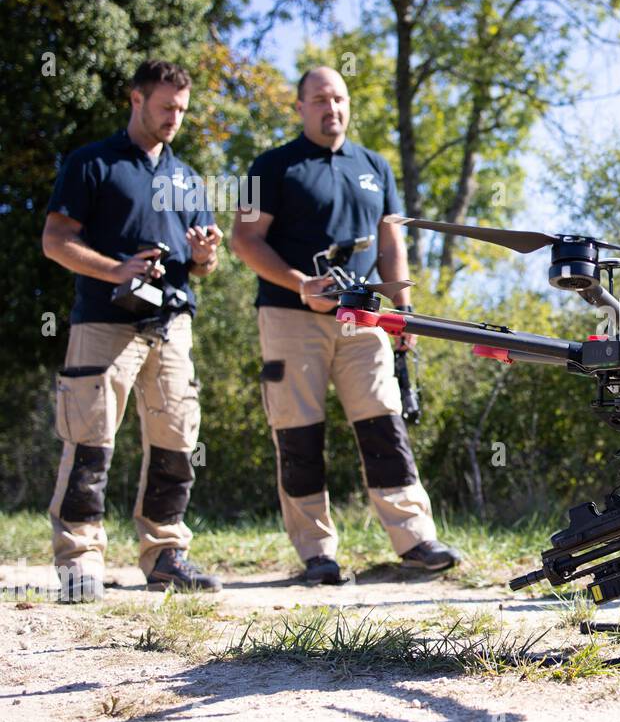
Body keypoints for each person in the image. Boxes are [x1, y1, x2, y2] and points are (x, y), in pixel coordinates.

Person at [231, 66, 460, 584]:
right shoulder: (268, 166)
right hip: (290, 315)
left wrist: (401, 309)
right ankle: (316, 553)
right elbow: (243, 240)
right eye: (318, 99)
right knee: (299, 431)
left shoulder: (376, 166)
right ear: (299, 107)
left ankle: (416, 539)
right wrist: (299, 284)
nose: (330, 108)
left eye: (338, 98)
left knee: (384, 419)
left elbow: (390, 243)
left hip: (364, 316)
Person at [41, 59, 224, 601]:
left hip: (172, 325)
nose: (175, 118)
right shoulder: (91, 163)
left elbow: (203, 267)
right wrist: (116, 269)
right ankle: (79, 563)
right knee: (89, 438)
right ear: (136, 99)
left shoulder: (187, 177)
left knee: (176, 441)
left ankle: (166, 555)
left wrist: (205, 257)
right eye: (166, 106)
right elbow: (55, 240)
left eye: (183, 111)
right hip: (104, 321)